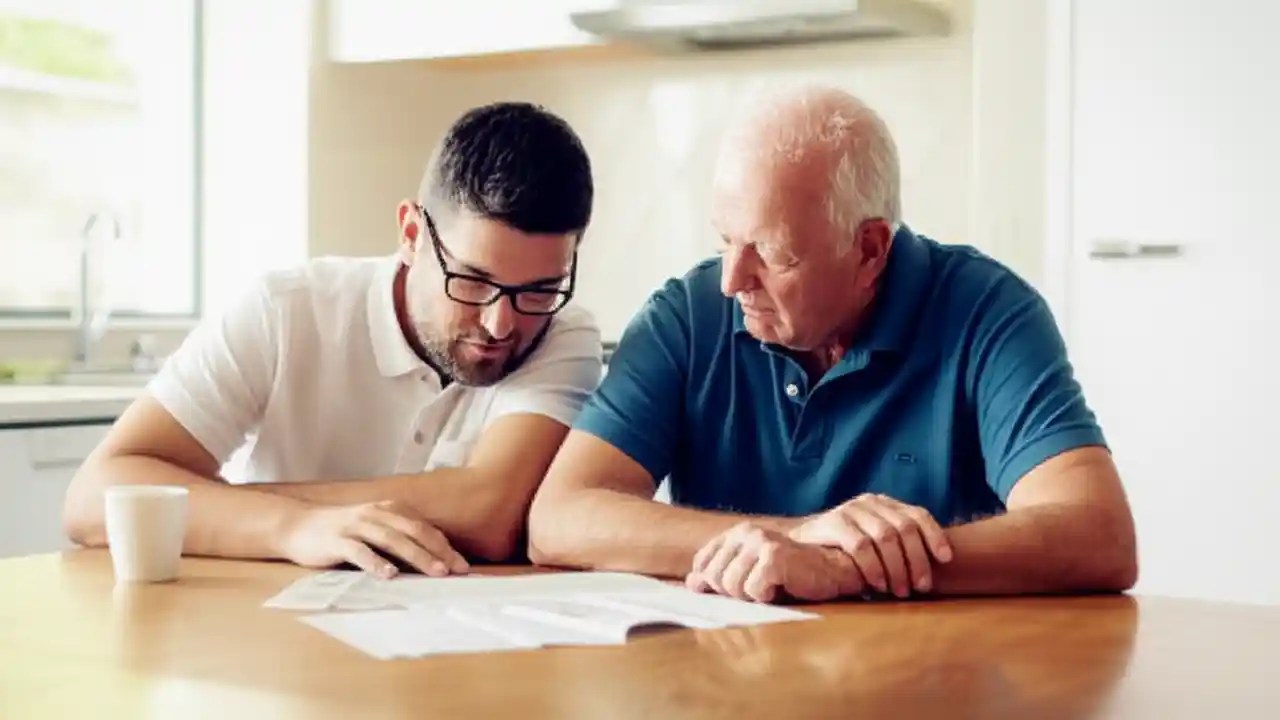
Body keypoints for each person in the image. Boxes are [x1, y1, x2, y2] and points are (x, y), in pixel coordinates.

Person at [527, 86, 1138, 603]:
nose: (732, 280)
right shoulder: (686, 315)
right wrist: (802, 537)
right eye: (724, 241)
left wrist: (844, 568)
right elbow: (558, 518)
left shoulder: (987, 312)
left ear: (870, 249)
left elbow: (1099, 534)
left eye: (771, 252)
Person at [64, 102, 602, 578]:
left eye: (539, 289)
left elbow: (490, 513)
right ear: (412, 235)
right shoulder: (287, 309)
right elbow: (93, 498)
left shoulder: (564, 332)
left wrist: (224, 508)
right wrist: (291, 528)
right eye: (472, 281)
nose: (501, 323)